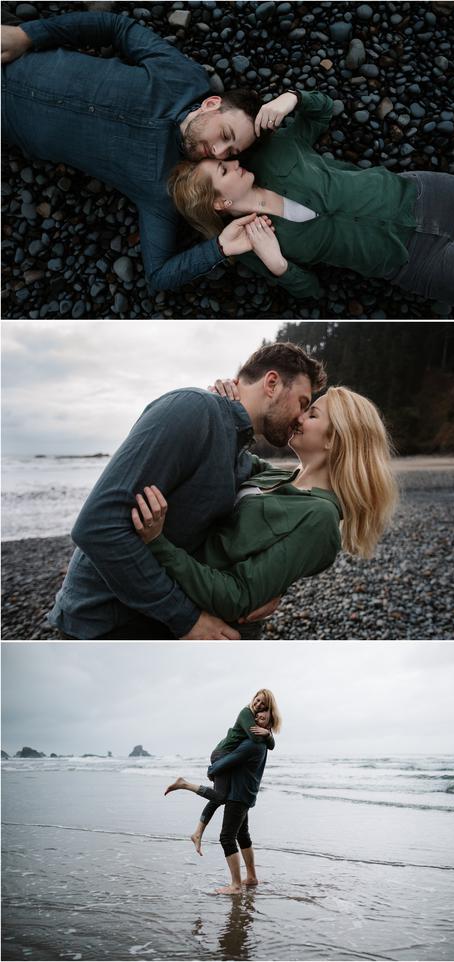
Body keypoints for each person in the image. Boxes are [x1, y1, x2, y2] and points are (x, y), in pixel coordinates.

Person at [1, 11, 300, 292]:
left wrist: (220, 247)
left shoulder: (165, 189)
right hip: (20, 51)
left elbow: (158, 275)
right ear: (211, 104)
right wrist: (27, 34)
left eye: (230, 151)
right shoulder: (184, 77)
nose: (218, 150)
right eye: (224, 134)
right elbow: (117, 28)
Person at [47, 342, 325, 640]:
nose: (300, 417)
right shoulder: (194, 410)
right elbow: (98, 527)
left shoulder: (240, 455)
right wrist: (186, 619)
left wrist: (271, 588)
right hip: (104, 624)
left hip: (150, 619)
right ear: (272, 383)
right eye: (302, 401)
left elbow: (293, 495)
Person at [169, 90, 454, 314]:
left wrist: (292, 98)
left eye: (228, 157)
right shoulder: (251, 242)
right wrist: (279, 265)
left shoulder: (273, 150)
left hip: (422, 195)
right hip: (412, 262)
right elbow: (311, 291)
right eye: (224, 168)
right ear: (221, 203)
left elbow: (323, 111)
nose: (232, 159)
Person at [131, 384, 399, 627]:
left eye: (313, 415)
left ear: (334, 440)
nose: (299, 417)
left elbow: (236, 597)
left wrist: (158, 544)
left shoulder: (320, 518)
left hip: (192, 621)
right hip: (161, 595)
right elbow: (226, 454)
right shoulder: (275, 475)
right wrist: (227, 402)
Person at [165, 689, 281, 894]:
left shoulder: (252, 744)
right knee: (242, 834)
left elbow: (230, 760)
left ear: (270, 722)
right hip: (248, 793)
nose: (259, 717)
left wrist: (212, 770)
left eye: (264, 716)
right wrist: (268, 736)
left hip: (238, 795)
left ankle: (236, 885)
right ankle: (251, 877)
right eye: (257, 716)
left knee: (227, 837)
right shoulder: (261, 742)